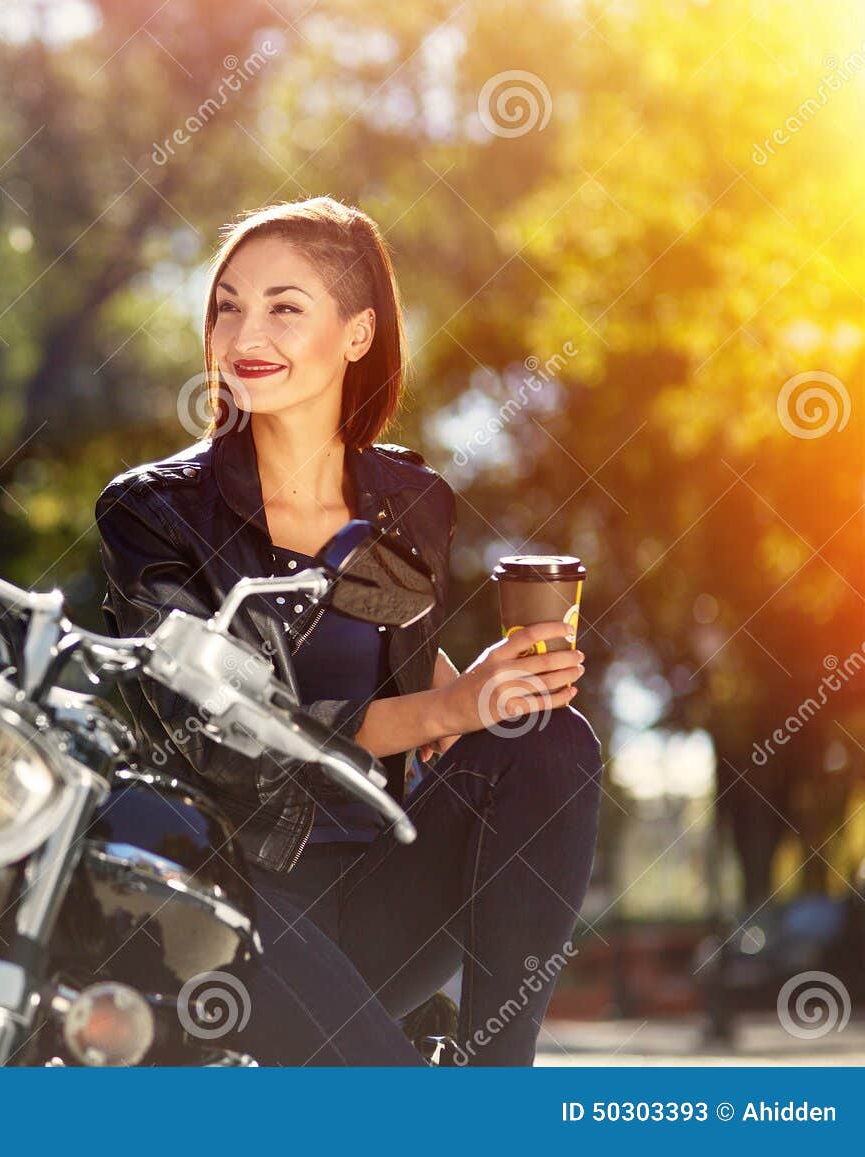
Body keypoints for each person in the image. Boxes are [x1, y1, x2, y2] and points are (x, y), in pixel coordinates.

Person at [94, 196, 602, 1065]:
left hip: (376, 891)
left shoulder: (414, 501)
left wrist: (484, 688)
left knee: (550, 740)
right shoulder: (154, 511)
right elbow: (219, 729)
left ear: (358, 334)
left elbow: (385, 647)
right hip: (233, 900)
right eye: (228, 305)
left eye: (285, 307)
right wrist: (451, 711)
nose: (245, 331)